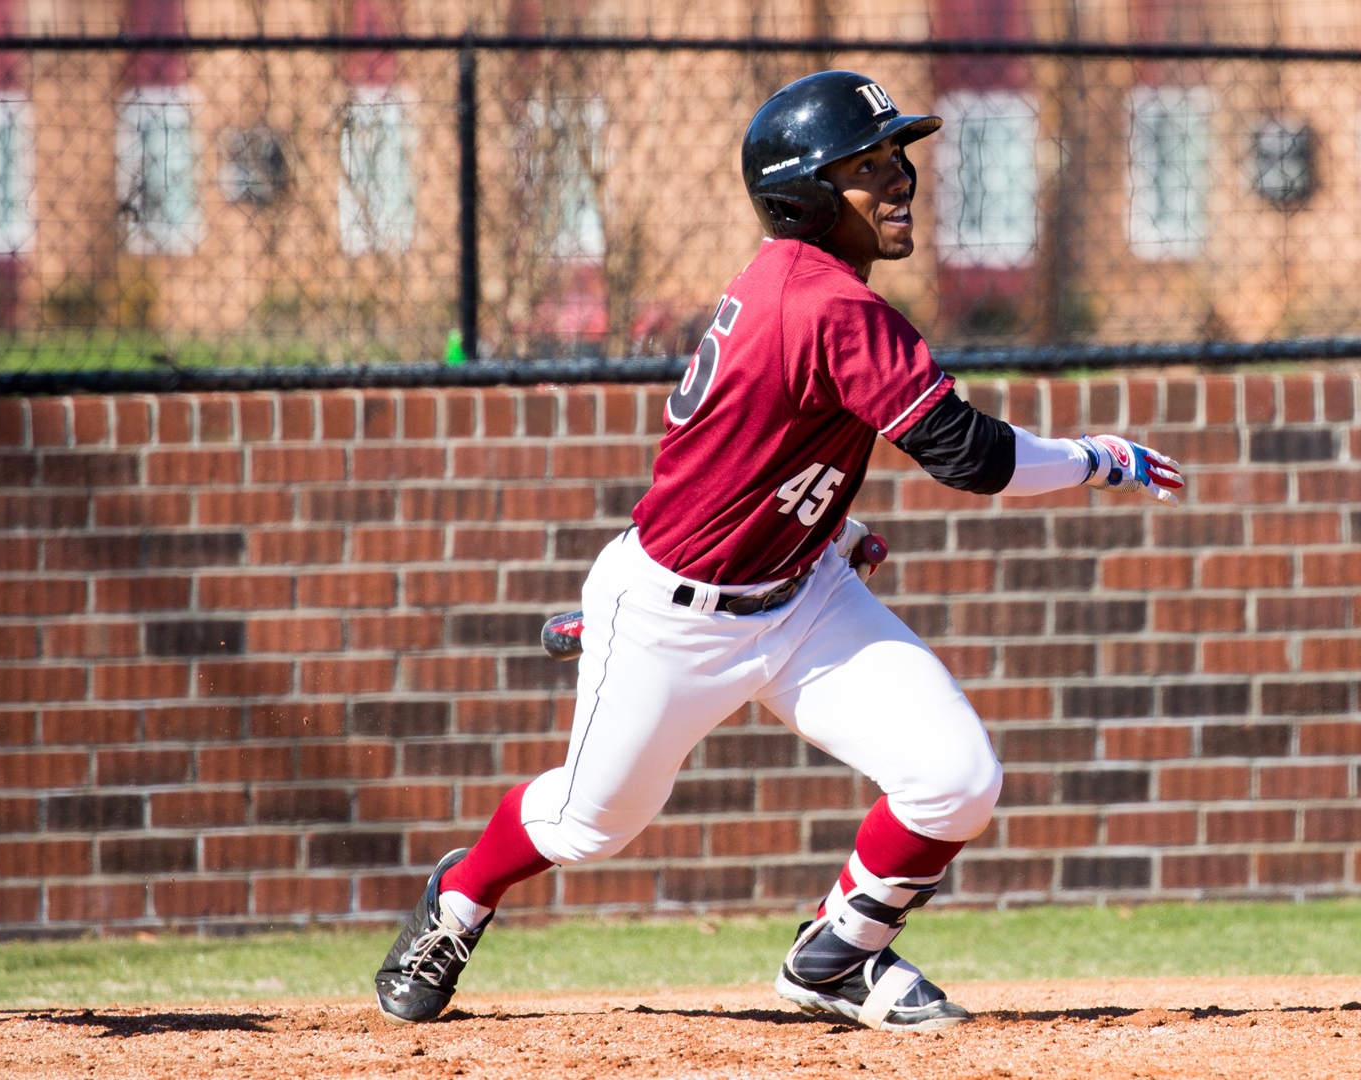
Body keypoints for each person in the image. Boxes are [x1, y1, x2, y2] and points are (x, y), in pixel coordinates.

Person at [373, 70, 1185, 1032]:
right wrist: (1098, 458)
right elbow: (970, 458)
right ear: (801, 193)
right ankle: (458, 901)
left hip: (799, 591)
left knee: (955, 777)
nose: (899, 181)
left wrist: (827, 527)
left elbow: (764, 441)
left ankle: (838, 959)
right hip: (675, 610)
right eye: (867, 166)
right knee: (591, 825)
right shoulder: (827, 303)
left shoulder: (805, 288)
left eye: (899, 159)